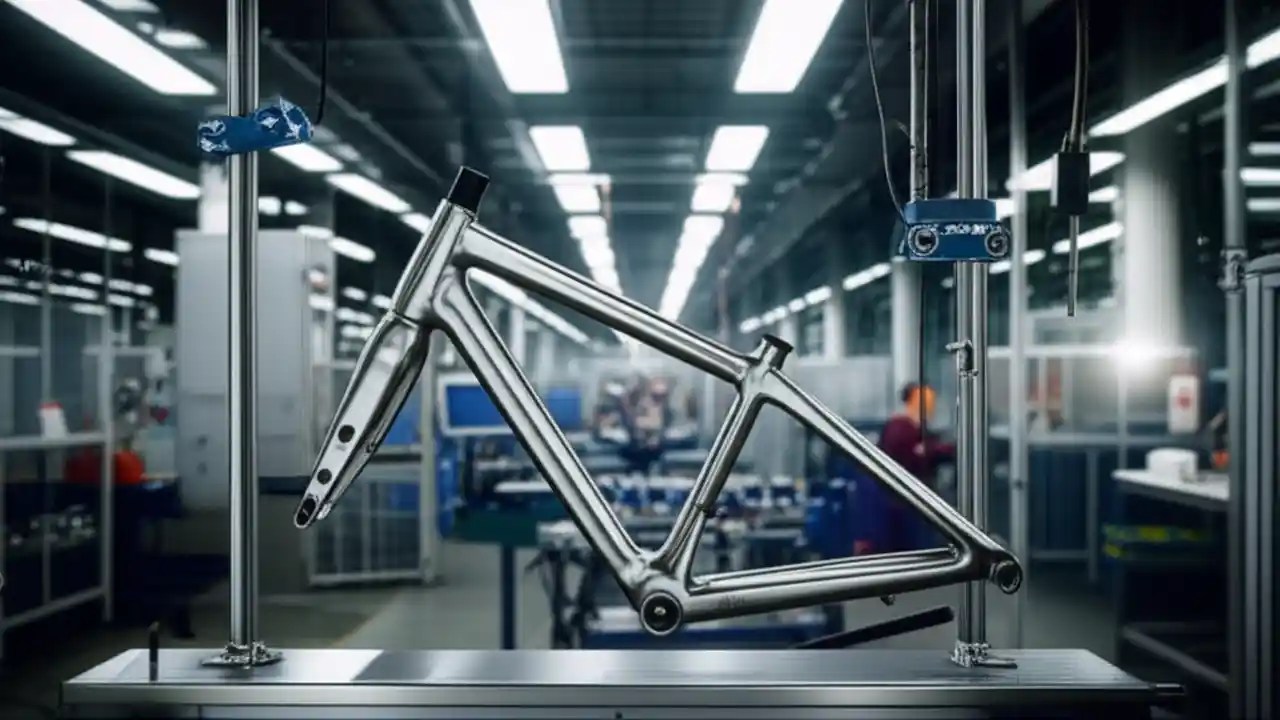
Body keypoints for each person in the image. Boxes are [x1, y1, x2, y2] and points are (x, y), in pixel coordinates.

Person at [856, 383, 955, 555]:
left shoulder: (914, 427)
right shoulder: (900, 428)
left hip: (907, 501)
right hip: (899, 503)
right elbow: (916, 456)